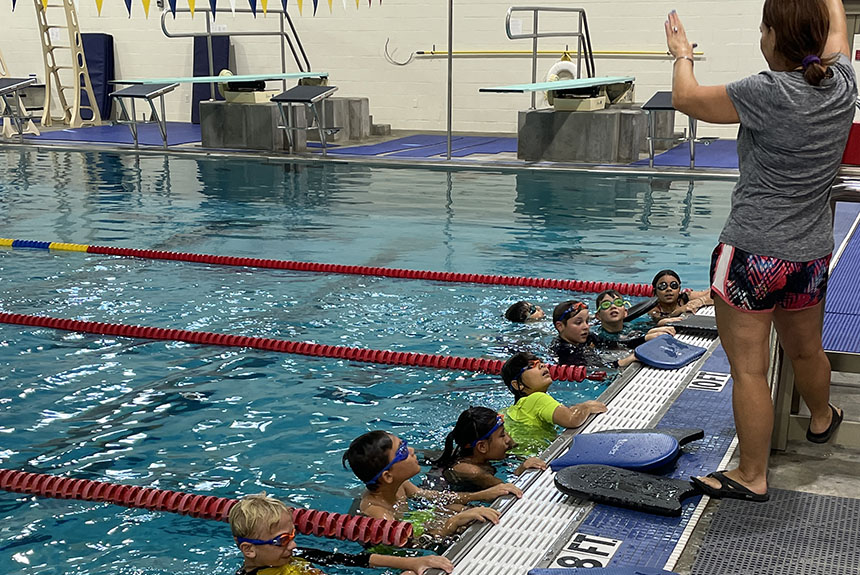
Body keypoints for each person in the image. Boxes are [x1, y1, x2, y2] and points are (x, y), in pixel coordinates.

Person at [666, 0, 853, 502]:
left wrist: (682, 54)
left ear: (771, 35)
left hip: (751, 253)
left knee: (748, 369)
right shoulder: (842, 83)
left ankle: (752, 476)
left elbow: (686, 98)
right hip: (810, 254)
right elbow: (836, 28)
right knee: (807, 348)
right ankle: (821, 417)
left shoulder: (763, 91)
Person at [342, 431, 522, 541]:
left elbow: (436, 497)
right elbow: (414, 545)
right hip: (397, 545)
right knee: (459, 519)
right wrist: (451, 524)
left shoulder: (400, 484)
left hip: (412, 523)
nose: (412, 450)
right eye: (402, 451)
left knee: (457, 508)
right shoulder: (379, 515)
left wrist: (483, 494)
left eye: (404, 444)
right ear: (388, 476)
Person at [229, 493, 453, 575]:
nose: (293, 544)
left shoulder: (293, 554)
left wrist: (413, 562)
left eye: (293, 534)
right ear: (249, 549)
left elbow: (352, 559)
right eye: (282, 541)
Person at [501, 351, 608, 454]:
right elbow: (571, 419)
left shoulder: (511, 410)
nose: (542, 365)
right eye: (531, 365)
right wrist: (586, 406)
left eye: (540, 362)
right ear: (518, 385)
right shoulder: (537, 398)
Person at [431, 406, 547, 491]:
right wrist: (520, 470)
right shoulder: (473, 472)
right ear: (482, 447)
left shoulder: (478, 455)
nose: (508, 438)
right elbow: (508, 490)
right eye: (502, 435)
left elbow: (513, 444)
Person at [550, 300, 638, 368]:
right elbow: (596, 369)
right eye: (578, 322)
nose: (586, 327)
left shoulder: (589, 337)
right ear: (560, 326)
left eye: (587, 321)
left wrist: (645, 339)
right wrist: (624, 361)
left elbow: (616, 345)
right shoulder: (563, 352)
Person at [593, 289, 677, 345]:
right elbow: (619, 344)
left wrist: (660, 323)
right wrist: (646, 338)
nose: (613, 306)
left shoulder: (630, 326)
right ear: (598, 316)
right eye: (606, 304)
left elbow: (647, 326)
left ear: (625, 312)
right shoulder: (598, 336)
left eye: (618, 303)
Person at [647, 270, 713, 322]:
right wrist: (677, 312)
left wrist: (700, 301)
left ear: (679, 289)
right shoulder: (654, 308)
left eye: (674, 285)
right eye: (663, 286)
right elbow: (658, 320)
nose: (669, 289)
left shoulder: (685, 297)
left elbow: (715, 294)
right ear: (655, 291)